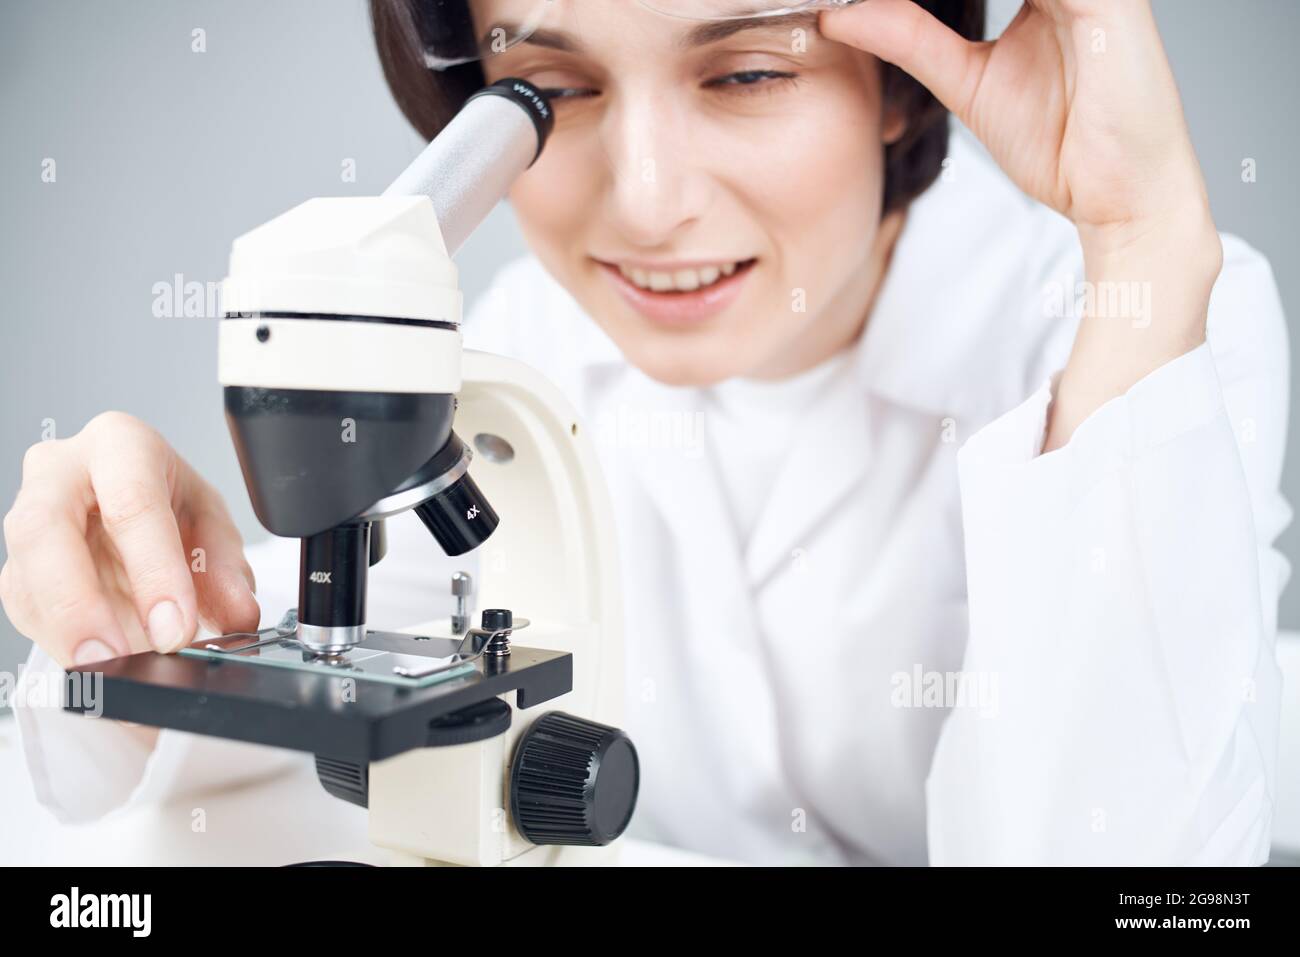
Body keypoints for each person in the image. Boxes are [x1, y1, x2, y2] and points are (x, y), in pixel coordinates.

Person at [3, 0, 1289, 865]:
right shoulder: (507, 353)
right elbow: (277, 773)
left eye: (744, 72)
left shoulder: (1144, 316)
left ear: (902, 87)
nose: (649, 200)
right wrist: (133, 632)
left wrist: (1136, 236)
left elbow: (1122, 862)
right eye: (552, 88)